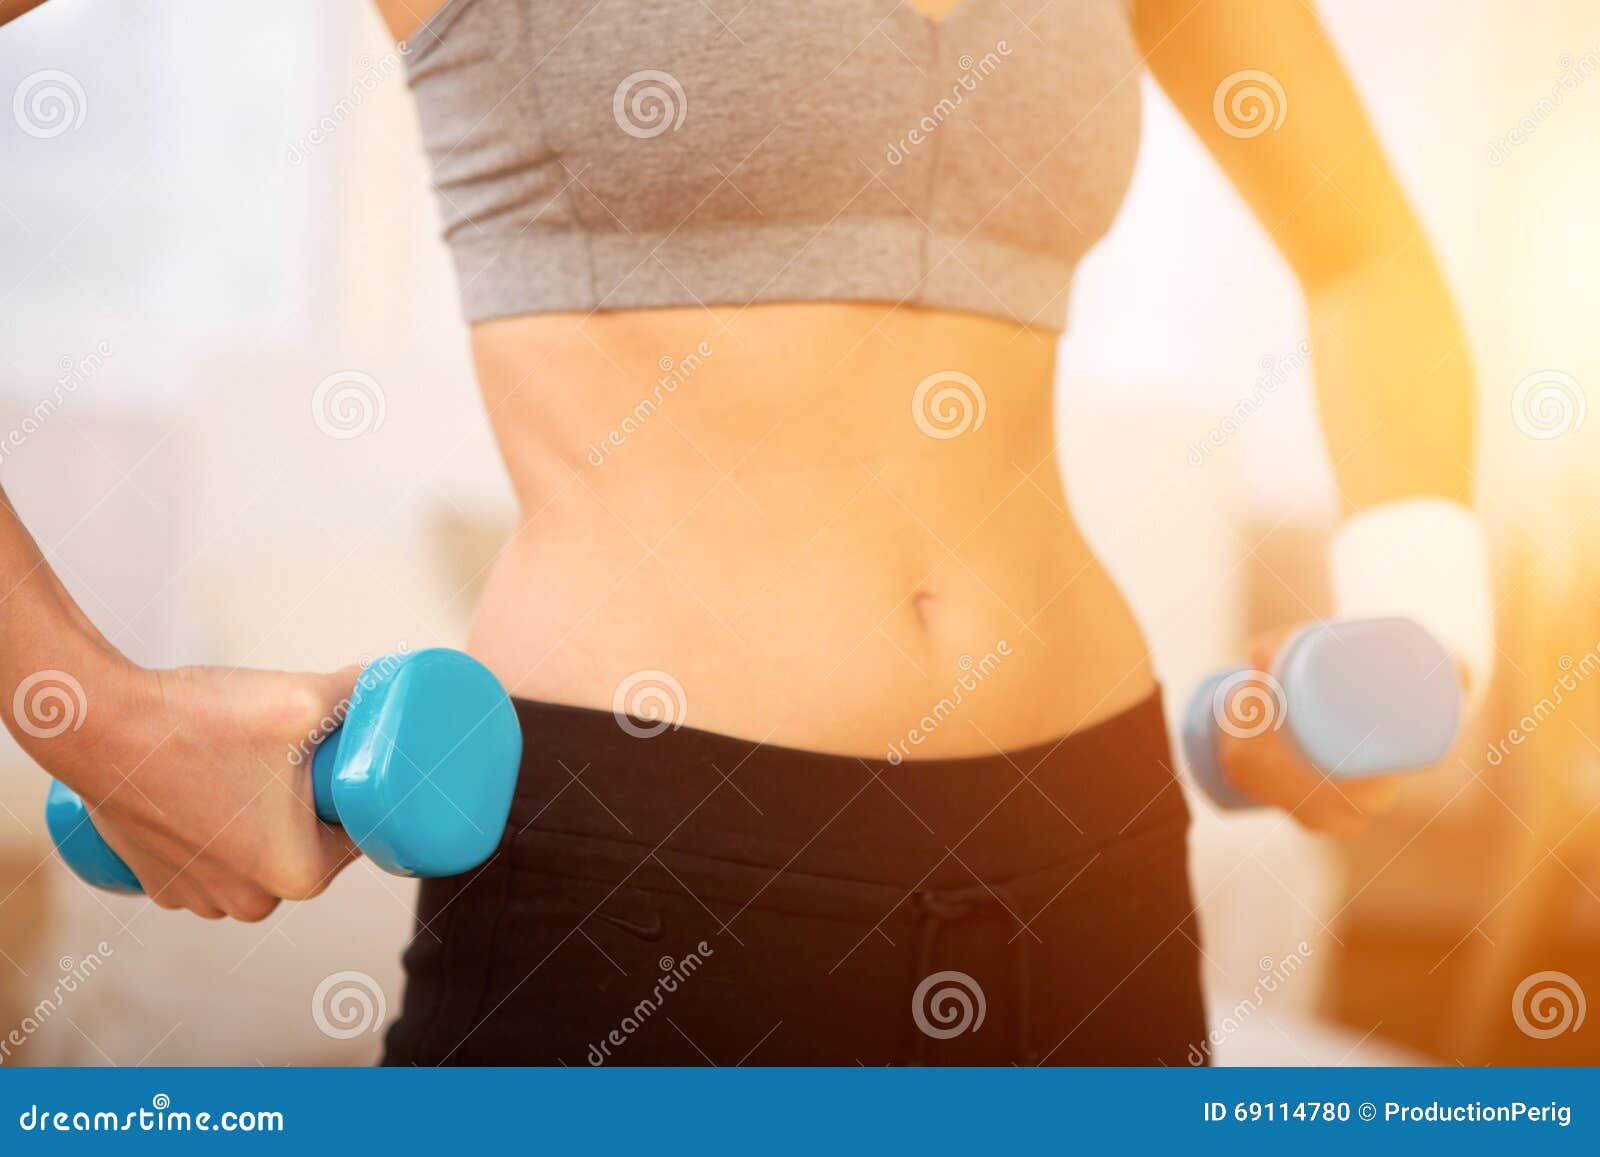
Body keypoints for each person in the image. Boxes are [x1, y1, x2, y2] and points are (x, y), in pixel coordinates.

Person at [0, 0, 1488, 1064]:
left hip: (1087, 854)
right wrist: (89, 710)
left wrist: (1423, 614)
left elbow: (1361, 254)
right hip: (644, 874)